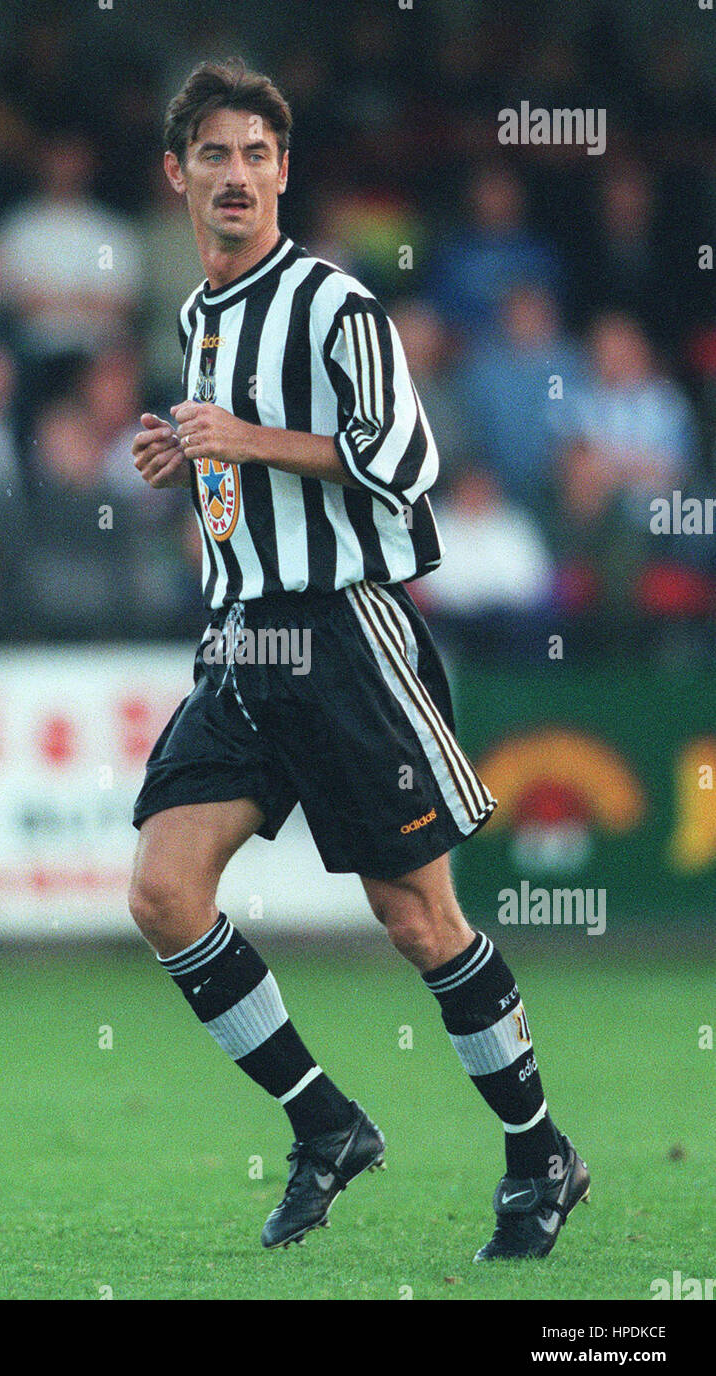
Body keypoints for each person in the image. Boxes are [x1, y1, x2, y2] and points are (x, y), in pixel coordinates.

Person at [128, 58, 589, 1261]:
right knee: (165, 892)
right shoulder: (199, 318)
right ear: (178, 174)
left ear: (284, 171)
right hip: (240, 639)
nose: (239, 175)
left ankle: (540, 1151)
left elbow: (405, 459)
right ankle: (325, 1119)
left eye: (259, 155)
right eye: (217, 155)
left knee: (418, 917)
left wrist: (247, 440)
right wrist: (193, 458)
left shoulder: (333, 304)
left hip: (341, 631)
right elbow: (245, 464)